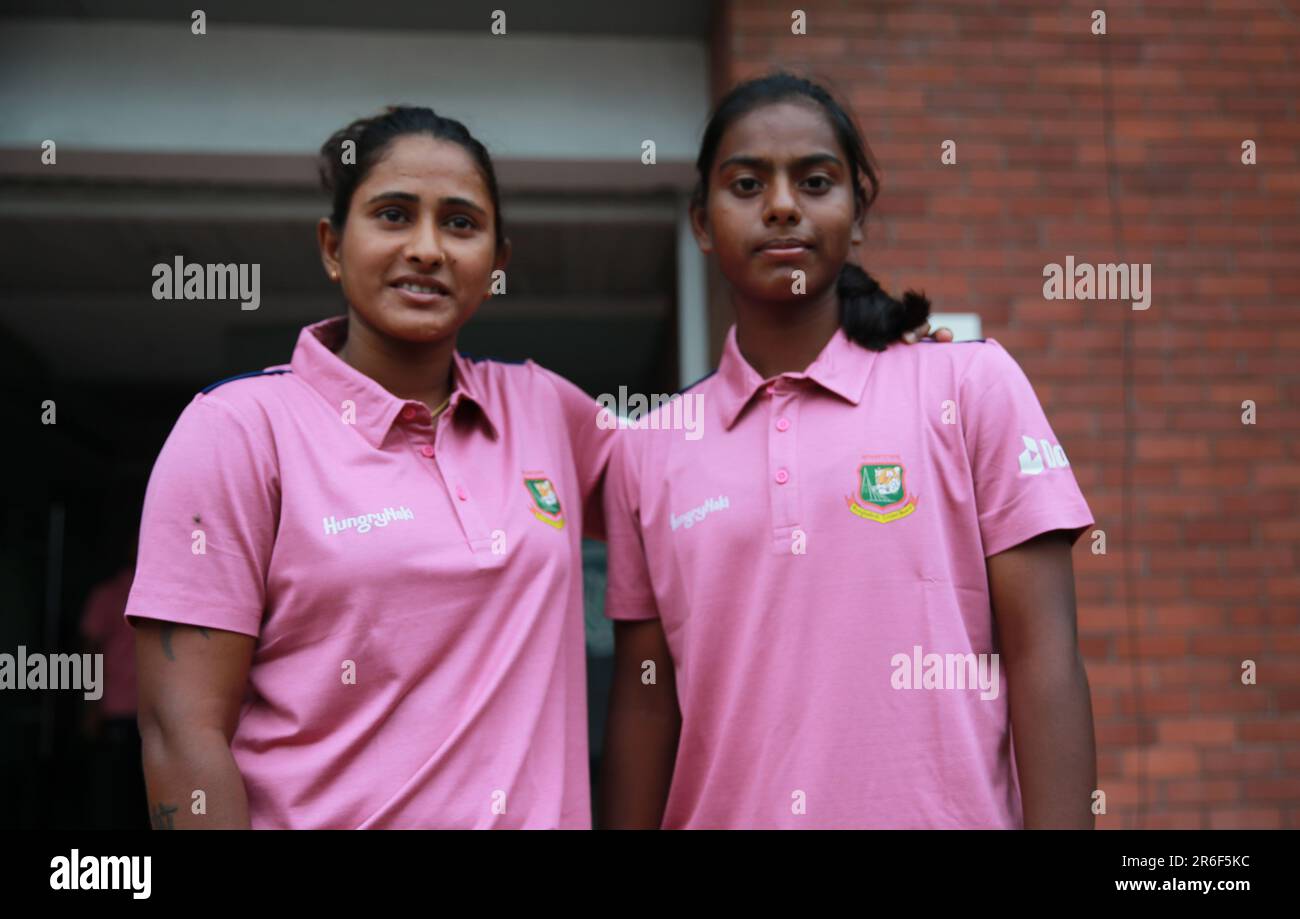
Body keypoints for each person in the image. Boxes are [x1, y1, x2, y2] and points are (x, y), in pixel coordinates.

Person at [599, 73, 1097, 829]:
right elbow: (646, 702)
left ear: (858, 212)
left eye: (815, 180)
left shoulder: (969, 386)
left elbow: (1044, 658)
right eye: (746, 183)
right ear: (701, 222)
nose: (781, 204)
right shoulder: (649, 449)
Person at [128, 107, 613, 829]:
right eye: (393, 214)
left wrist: (840, 340)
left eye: (460, 223)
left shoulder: (545, 409)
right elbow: (181, 734)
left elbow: (710, 479)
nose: (427, 248)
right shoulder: (238, 431)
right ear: (332, 245)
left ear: (496, 261)